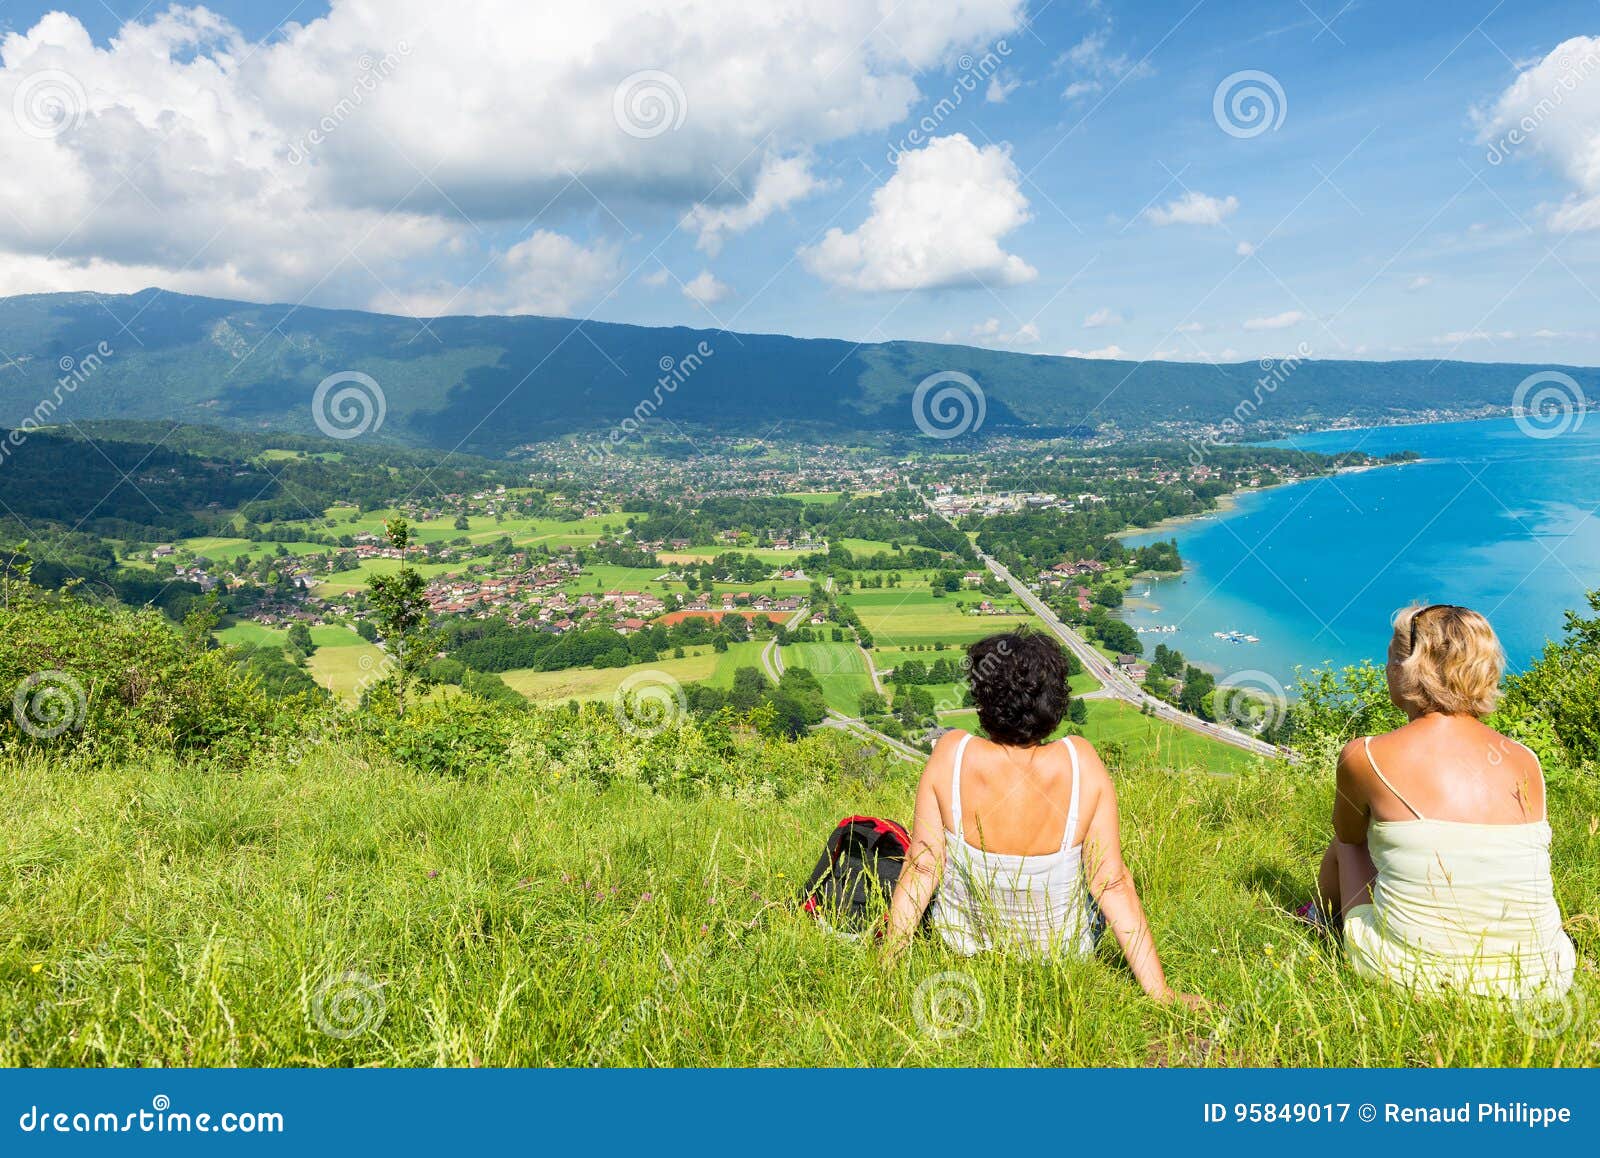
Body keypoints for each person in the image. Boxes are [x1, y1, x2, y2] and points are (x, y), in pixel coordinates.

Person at [882, 630, 1202, 1009]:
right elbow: (1111, 883)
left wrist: (887, 968)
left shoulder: (951, 753)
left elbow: (922, 868)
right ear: (1054, 702)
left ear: (985, 699)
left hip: (963, 943)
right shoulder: (1080, 761)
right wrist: (1160, 992)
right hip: (1062, 953)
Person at [1311, 603, 1575, 999]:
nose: (1387, 670)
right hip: (1542, 980)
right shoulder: (1526, 761)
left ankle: (1316, 924)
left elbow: (1348, 834)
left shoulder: (1364, 755)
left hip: (1412, 977)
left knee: (1348, 842)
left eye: (1390, 658)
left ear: (1407, 669)